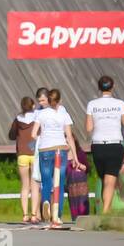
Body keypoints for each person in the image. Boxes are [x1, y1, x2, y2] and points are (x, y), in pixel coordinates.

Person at [34, 87, 83, 227]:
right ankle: (58, 215)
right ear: (60, 100)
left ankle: (46, 203)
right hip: (61, 149)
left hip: (45, 149)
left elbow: (33, 133)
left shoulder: (41, 114)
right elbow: (69, 137)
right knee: (60, 184)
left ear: (48, 100)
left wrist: (42, 137)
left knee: (46, 181)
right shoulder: (64, 114)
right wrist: (76, 158)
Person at [85, 75, 124, 214]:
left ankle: (106, 210)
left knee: (104, 179)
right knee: (109, 181)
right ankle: (106, 212)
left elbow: (88, 128)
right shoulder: (120, 104)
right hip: (114, 145)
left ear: (99, 88)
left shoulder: (92, 104)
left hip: (98, 145)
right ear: (113, 87)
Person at [8, 96, 40, 223]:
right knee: (35, 185)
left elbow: (11, 135)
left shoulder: (18, 119)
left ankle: (25, 214)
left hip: (22, 154)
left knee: (25, 186)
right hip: (34, 153)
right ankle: (34, 215)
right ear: (33, 106)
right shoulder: (37, 118)